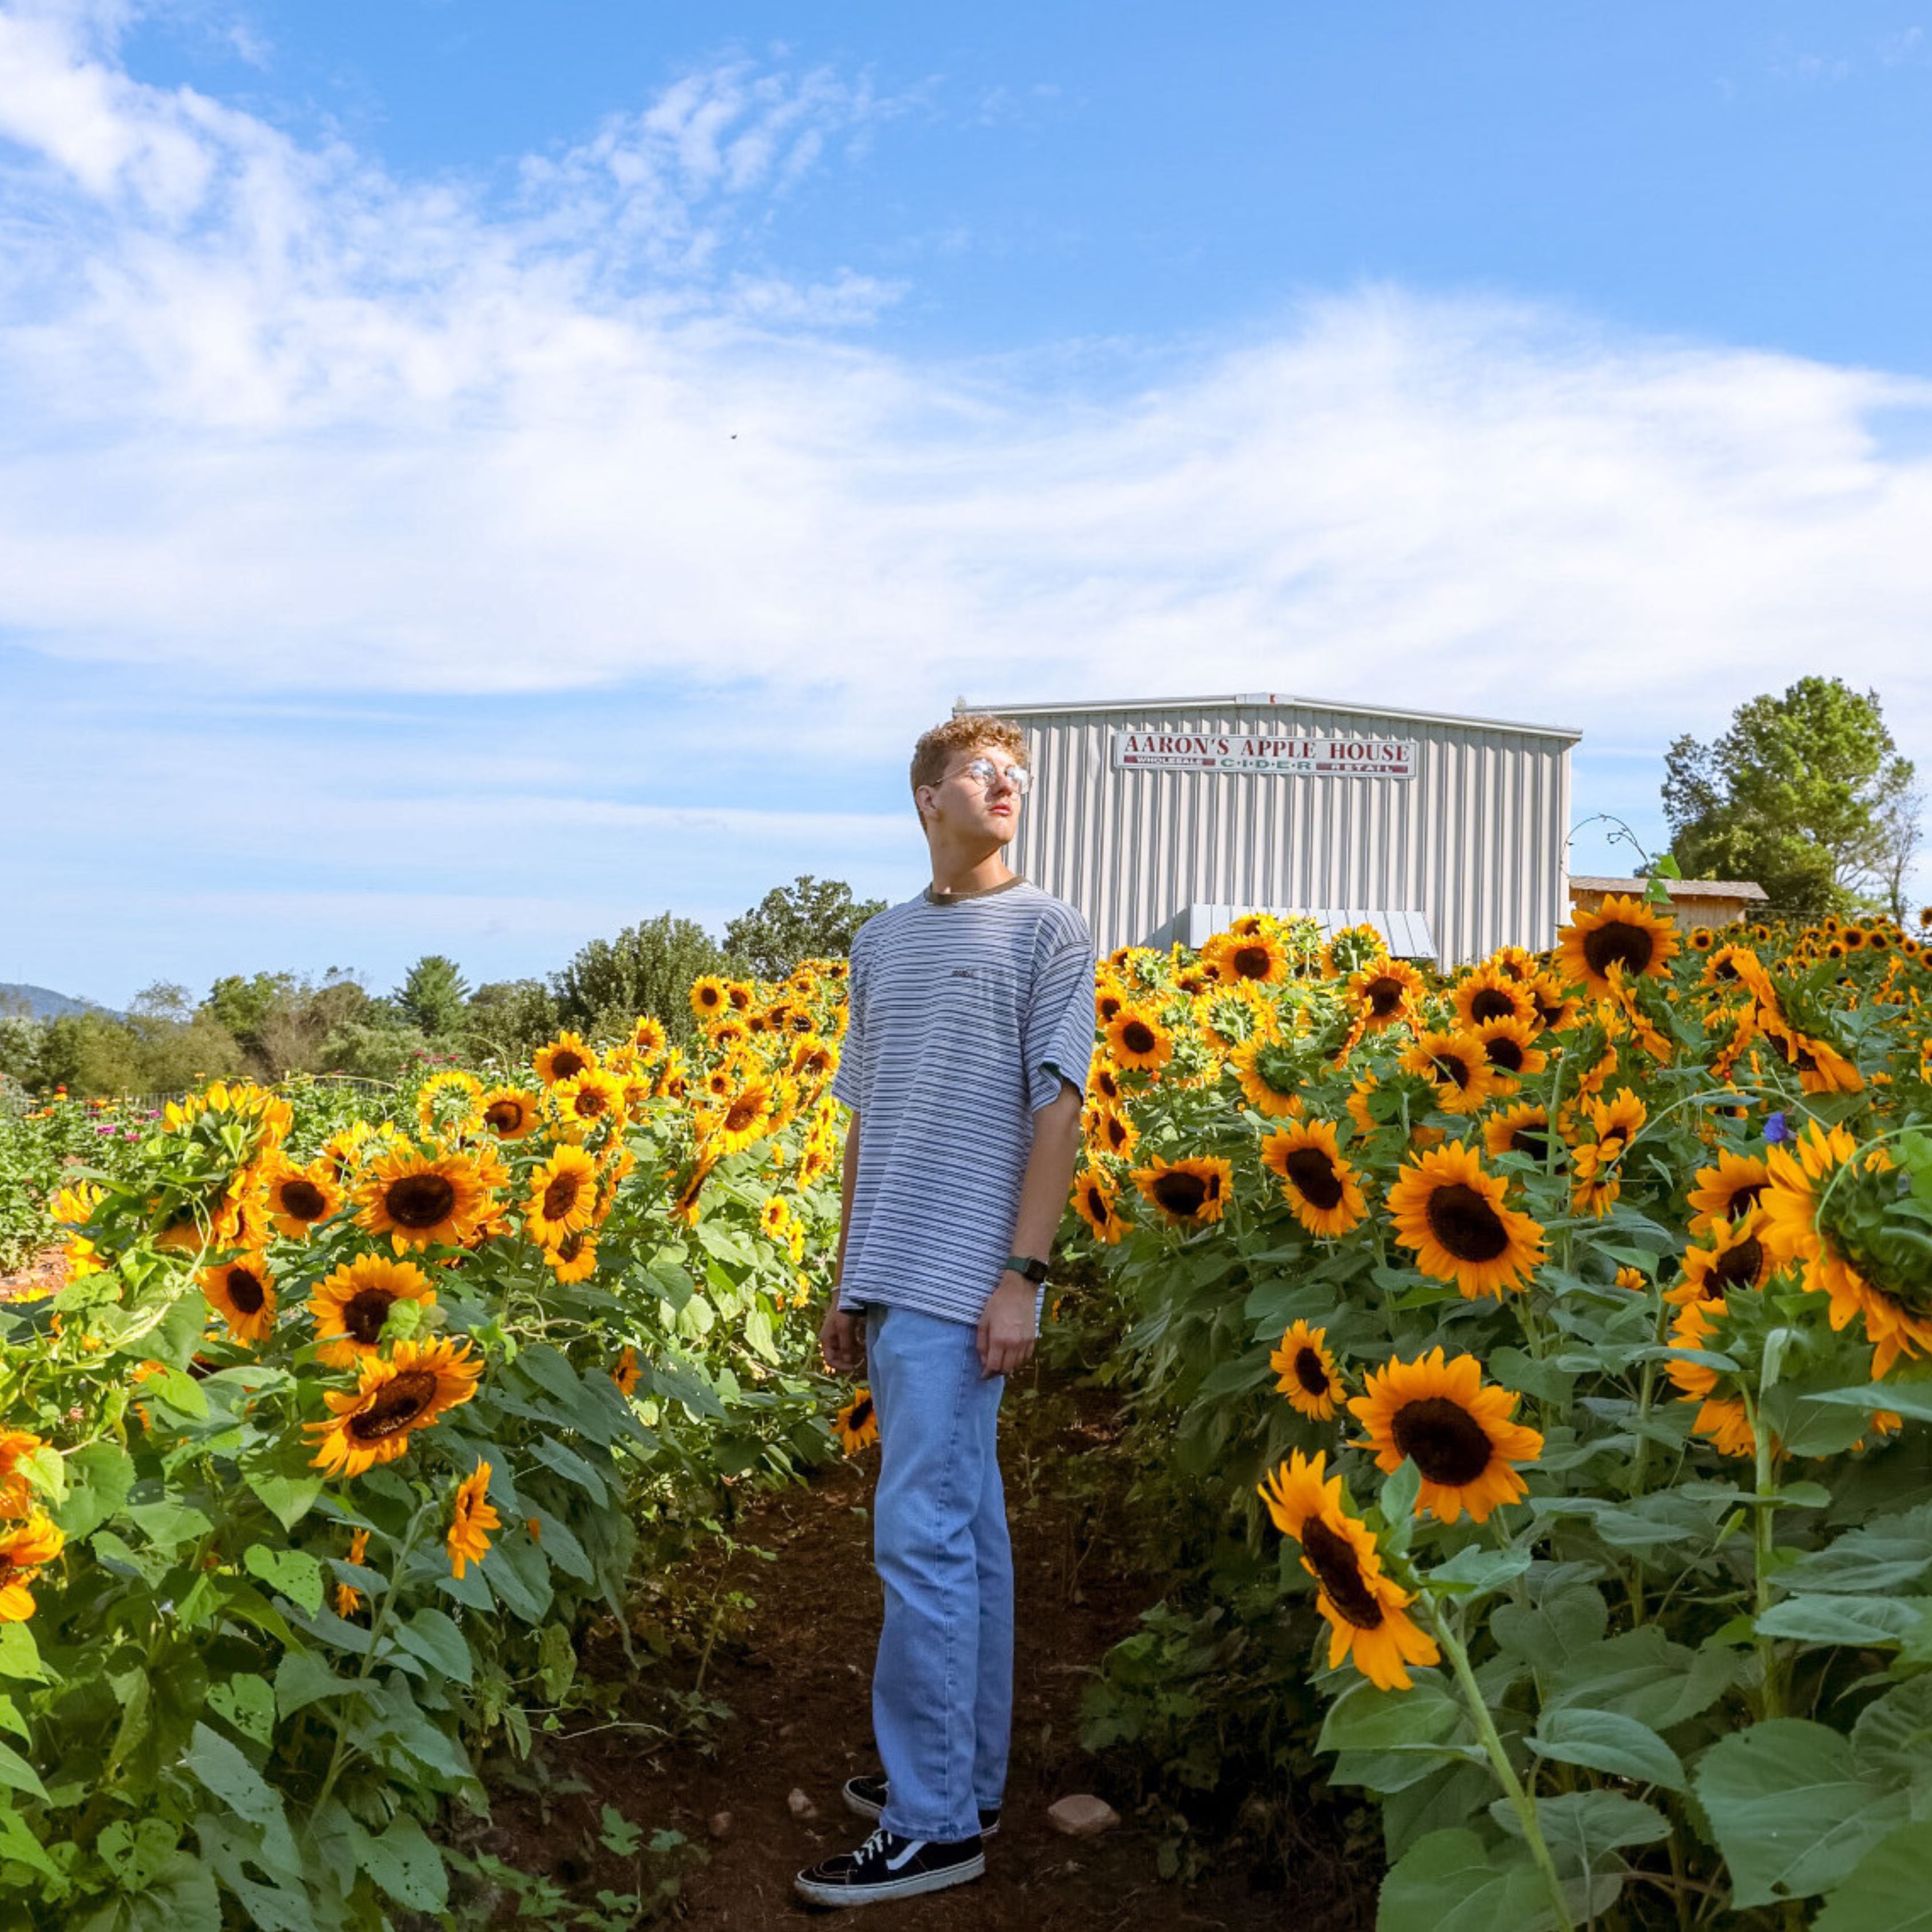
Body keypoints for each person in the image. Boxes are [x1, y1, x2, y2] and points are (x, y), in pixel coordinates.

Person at [793, 714, 1093, 1908]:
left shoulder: (1048, 929)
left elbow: (1056, 1114)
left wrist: (1022, 1271)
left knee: (918, 1538)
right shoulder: (877, 943)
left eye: (1016, 773)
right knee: (961, 1528)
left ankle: (928, 1825)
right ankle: (958, 1784)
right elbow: (867, 1118)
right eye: (981, 769)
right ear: (927, 797)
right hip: (893, 1267)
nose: (1004, 783)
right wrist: (842, 1274)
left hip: (967, 1276)